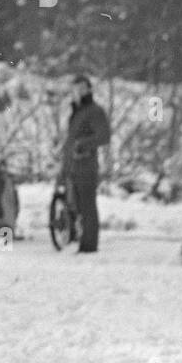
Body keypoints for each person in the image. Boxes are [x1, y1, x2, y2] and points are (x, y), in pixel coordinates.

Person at [62, 74, 110, 253]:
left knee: (88, 206)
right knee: (79, 206)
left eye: (82, 88)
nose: (78, 92)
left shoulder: (95, 111)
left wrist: (83, 145)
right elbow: (71, 139)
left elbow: (104, 136)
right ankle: (82, 240)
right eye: (75, 89)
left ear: (89, 90)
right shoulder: (77, 111)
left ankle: (89, 245)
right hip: (73, 165)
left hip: (87, 166)